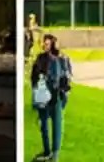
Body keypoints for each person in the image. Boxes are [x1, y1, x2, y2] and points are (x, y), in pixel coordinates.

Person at [30, 33, 72, 162]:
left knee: (56, 125)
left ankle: (55, 154)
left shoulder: (61, 58)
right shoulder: (41, 58)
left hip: (56, 96)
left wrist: (63, 91)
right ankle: (47, 151)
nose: (45, 45)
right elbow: (34, 75)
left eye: (47, 43)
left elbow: (67, 76)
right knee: (43, 124)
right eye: (44, 43)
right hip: (43, 95)